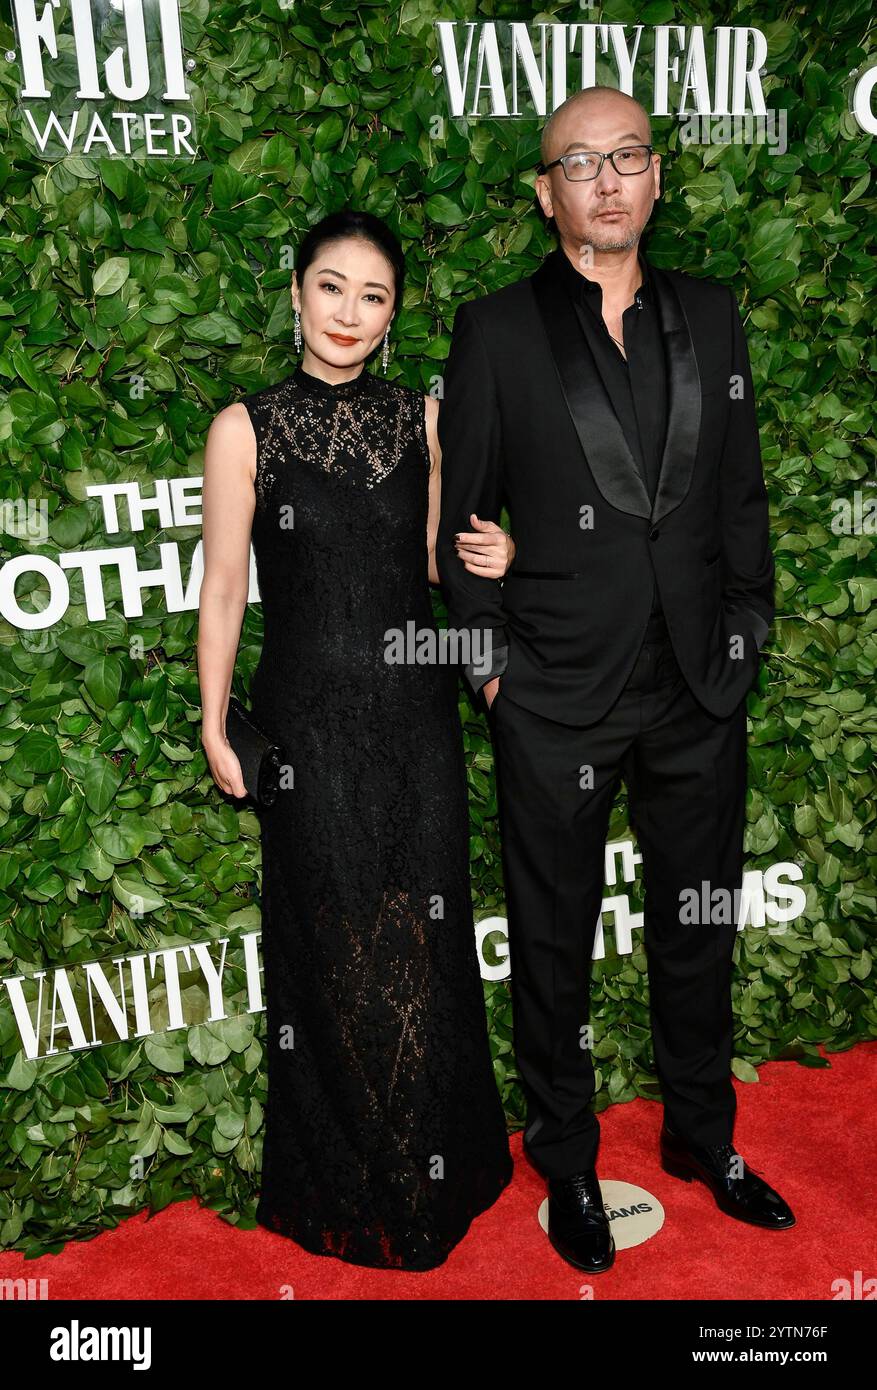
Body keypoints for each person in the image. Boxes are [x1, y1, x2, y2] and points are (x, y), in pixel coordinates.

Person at [436, 86, 795, 1274]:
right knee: (552, 942)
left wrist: (744, 632)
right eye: (578, 163)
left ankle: (702, 1136)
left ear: (655, 176)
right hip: (553, 693)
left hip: (698, 685)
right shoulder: (496, 331)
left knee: (699, 927)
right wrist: (491, 671)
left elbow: (738, 495)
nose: (605, 181)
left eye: (626, 156)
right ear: (545, 193)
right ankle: (569, 1159)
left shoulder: (711, 314)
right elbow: (459, 523)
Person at [197, 210, 516, 1271]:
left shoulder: (424, 420)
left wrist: (498, 551)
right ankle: (353, 1180)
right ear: (296, 294)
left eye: (372, 295)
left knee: (422, 943)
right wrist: (213, 717)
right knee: (330, 949)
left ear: (391, 315)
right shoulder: (243, 428)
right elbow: (225, 589)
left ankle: (432, 1170)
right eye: (331, 287)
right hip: (308, 726)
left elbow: (433, 559)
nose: (348, 312)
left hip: (414, 718)